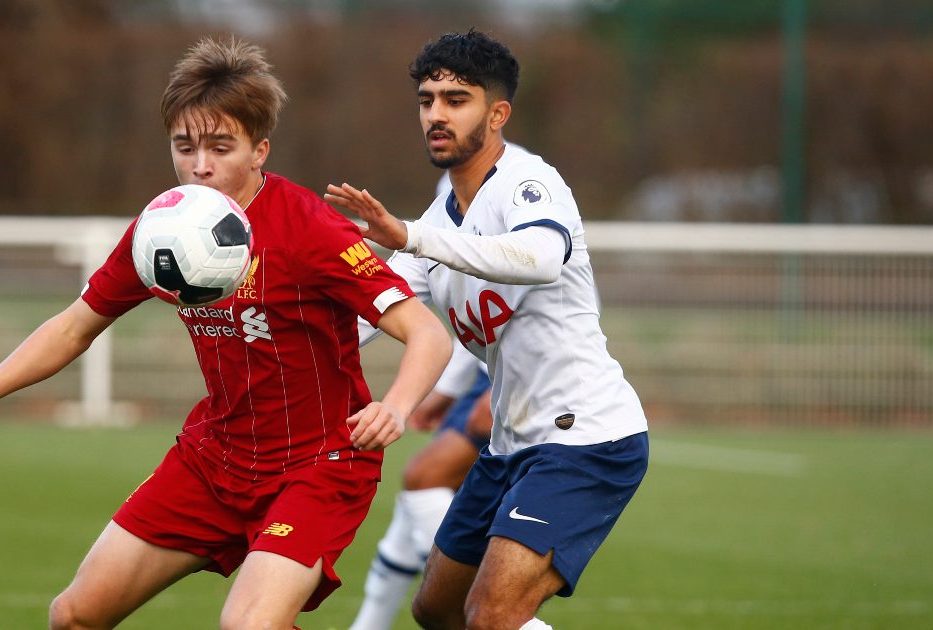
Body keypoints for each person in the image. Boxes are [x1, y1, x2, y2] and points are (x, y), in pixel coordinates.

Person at [0, 37, 451, 630]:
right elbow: (72, 328)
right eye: (184, 147)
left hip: (319, 463)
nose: (200, 165)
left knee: (247, 625)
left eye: (220, 147)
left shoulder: (311, 229)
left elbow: (428, 334)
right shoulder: (162, 230)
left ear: (260, 149)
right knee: (74, 616)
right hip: (214, 460)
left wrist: (395, 406)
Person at [326, 28, 649, 630]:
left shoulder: (530, 184)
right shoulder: (435, 223)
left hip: (587, 440)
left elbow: (541, 255)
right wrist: (260, 331)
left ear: (498, 113)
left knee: (492, 615)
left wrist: (412, 238)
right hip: (510, 446)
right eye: (427, 100)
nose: (435, 115)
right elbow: (364, 314)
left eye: (456, 99)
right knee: (437, 609)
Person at [349, 338, 491, 630]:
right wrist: (447, 390)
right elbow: (475, 315)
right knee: (412, 510)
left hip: (521, 378)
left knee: (423, 479)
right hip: (485, 376)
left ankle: (487, 603)